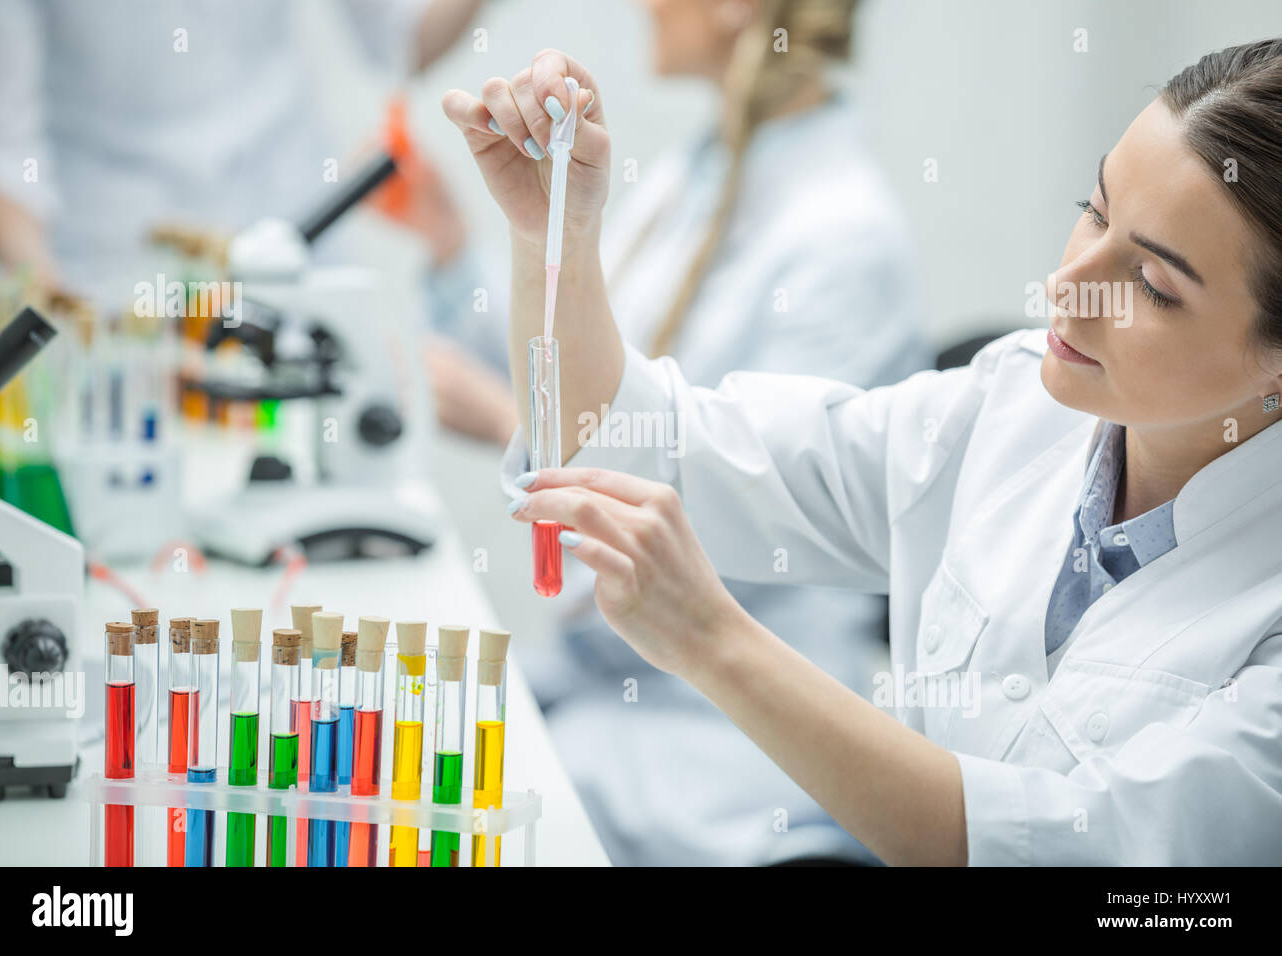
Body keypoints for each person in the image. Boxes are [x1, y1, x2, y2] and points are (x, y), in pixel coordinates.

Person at [441, 39, 1282, 864]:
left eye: (1151, 285)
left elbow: (1065, 851)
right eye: (1093, 210)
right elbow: (643, 441)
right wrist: (551, 237)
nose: (1066, 286)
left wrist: (712, 640)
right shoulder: (1007, 407)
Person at [419, 0, 930, 865]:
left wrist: (526, 432)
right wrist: (463, 249)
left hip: (718, 744)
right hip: (610, 686)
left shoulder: (845, 239)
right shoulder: (695, 175)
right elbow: (589, 380)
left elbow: (750, 519)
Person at [0, 0, 486, 300]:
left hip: (294, 237)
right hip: (113, 271)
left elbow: (404, 40)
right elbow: (1, 154)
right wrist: (60, 318)